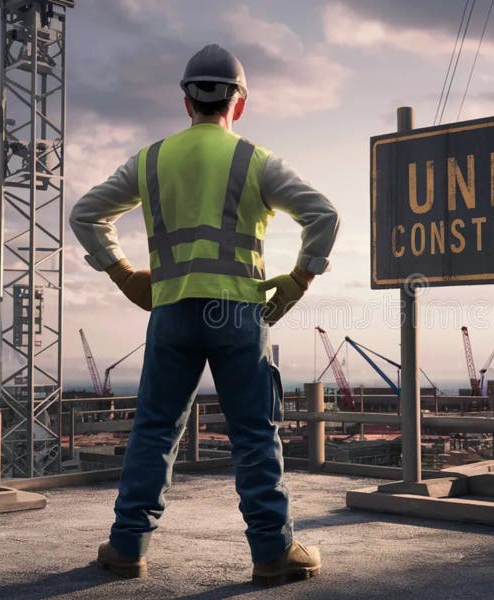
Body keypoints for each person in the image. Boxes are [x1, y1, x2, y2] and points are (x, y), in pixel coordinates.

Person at [69, 44, 339, 585]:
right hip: (236, 312)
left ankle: (127, 547)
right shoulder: (254, 161)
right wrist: (300, 276)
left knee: (153, 430)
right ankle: (271, 552)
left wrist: (122, 272)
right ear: (238, 105)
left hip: (170, 312)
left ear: (186, 101)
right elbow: (323, 214)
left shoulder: (150, 160)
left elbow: (85, 214)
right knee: (255, 433)